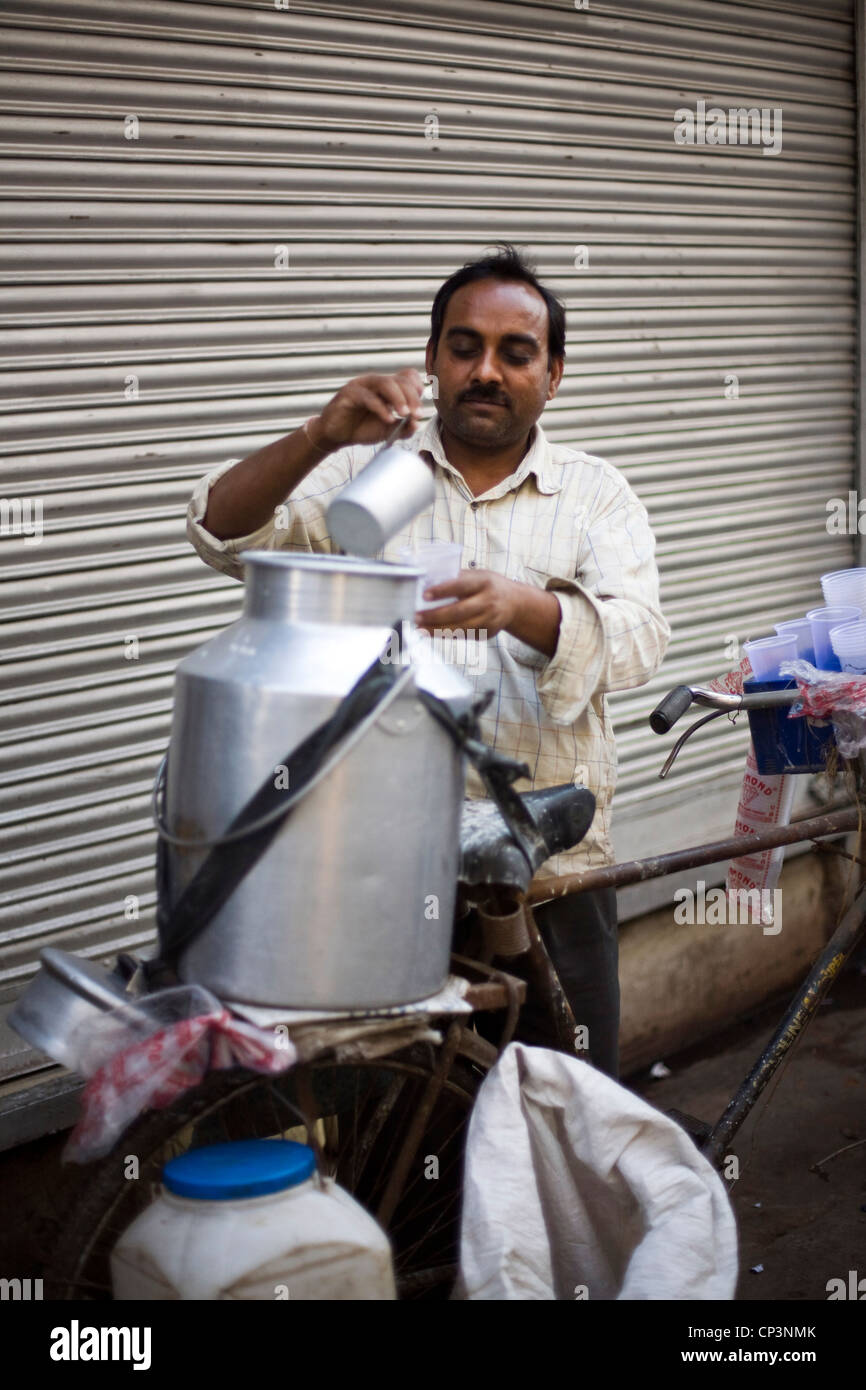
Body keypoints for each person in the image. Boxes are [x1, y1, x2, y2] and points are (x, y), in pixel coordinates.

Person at [186, 245, 670, 1078]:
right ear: (433, 360)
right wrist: (319, 432)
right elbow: (223, 534)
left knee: (567, 1104)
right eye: (463, 346)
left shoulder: (596, 494)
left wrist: (526, 608)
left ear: (553, 376)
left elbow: (637, 642)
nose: (486, 370)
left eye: (515, 353)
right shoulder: (365, 473)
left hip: (550, 873)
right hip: (380, 866)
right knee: (406, 1124)